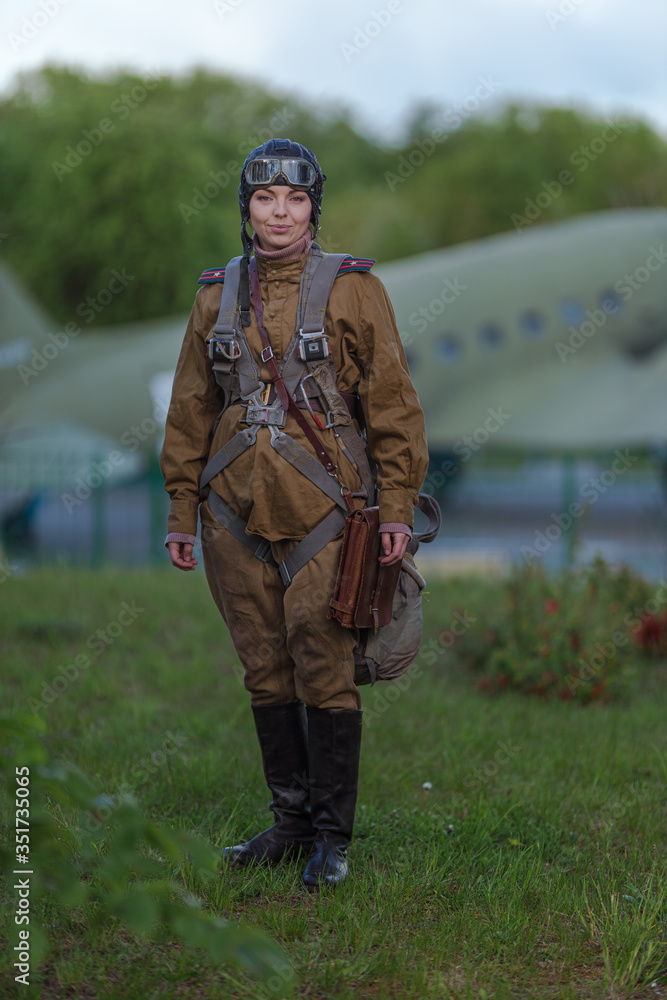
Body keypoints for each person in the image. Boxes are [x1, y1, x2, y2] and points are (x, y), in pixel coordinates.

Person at [160, 137, 429, 889]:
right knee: (264, 672)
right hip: (231, 520)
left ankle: (332, 842)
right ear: (245, 207)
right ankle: (289, 824)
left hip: (329, 519)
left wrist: (397, 505)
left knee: (325, 672)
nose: (279, 213)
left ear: (314, 206)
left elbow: (393, 405)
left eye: (295, 199)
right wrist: (183, 512)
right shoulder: (215, 294)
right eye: (264, 199)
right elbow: (189, 410)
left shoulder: (353, 290)